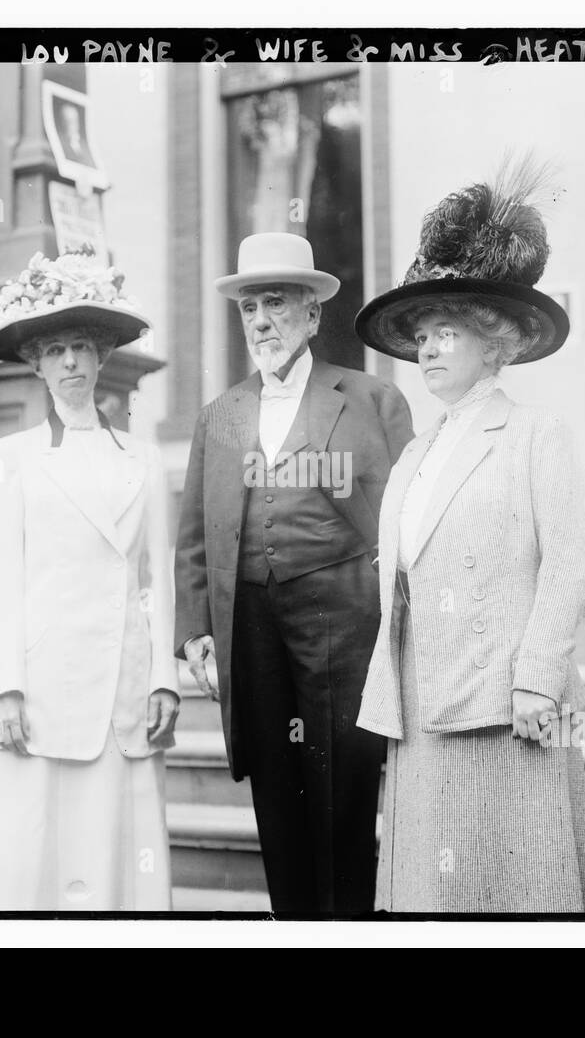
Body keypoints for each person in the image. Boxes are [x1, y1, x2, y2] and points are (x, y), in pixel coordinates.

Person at [354, 163, 585, 912]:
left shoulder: (535, 435)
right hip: (423, 705)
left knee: (516, 881)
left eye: (447, 331)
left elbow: (568, 562)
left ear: (496, 343)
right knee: (437, 892)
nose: (428, 349)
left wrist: (536, 679)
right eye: (422, 335)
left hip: (505, 705)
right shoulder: (417, 454)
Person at [174, 232, 414, 914]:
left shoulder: (372, 401)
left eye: (276, 303)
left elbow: (409, 522)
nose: (261, 321)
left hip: (341, 613)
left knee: (341, 783)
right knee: (274, 787)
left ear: (312, 316)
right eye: (250, 307)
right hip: (250, 623)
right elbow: (194, 534)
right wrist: (195, 630)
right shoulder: (219, 417)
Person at [0, 250, 179, 911]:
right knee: (33, 855)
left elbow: (160, 574)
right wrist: (4, 689)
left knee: (116, 854)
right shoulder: (12, 458)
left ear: (102, 353)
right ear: (36, 362)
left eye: (82, 347)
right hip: (43, 686)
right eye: (55, 350)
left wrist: (164, 677)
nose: (72, 364)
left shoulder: (142, 461)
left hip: (123, 680)